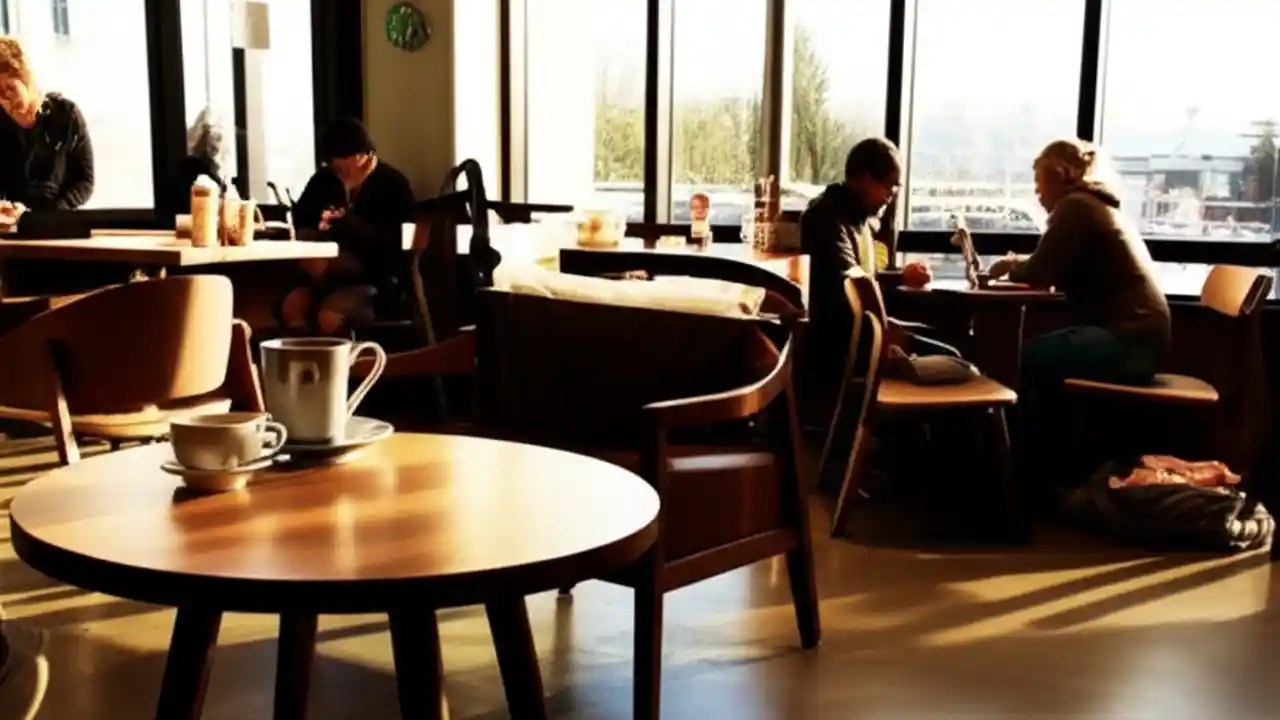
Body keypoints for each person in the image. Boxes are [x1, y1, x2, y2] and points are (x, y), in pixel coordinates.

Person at [987, 139, 1171, 390]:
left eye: (1040, 183)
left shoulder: (1076, 207)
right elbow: (1048, 262)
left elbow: (1038, 271)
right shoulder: (1096, 205)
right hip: (1143, 344)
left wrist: (1009, 267)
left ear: (1058, 177)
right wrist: (1018, 264)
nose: (1038, 194)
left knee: (1012, 359)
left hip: (1128, 344)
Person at [800, 137, 948, 395]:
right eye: (888, 185)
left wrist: (900, 278)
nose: (891, 196)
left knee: (950, 345)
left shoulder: (852, 218)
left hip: (861, 337)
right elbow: (849, 291)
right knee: (953, 357)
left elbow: (859, 279)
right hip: (846, 348)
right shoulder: (827, 218)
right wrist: (888, 333)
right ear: (865, 178)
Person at [282, 117, 415, 335]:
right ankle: (306, 355)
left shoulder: (393, 185)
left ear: (364, 155)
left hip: (377, 282)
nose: (336, 168)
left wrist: (351, 237)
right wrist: (308, 237)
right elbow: (302, 220)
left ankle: (343, 356)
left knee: (330, 314)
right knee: (293, 304)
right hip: (327, 279)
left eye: (342, 161)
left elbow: (397, 252)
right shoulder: (324, 180)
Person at [0, 35, 93, 228]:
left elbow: (84, 182)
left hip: (58, 226)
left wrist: (53, 215)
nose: (5, 99)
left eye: (10, 88)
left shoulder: (66, 115)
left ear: (26, 79)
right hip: (12, 229)